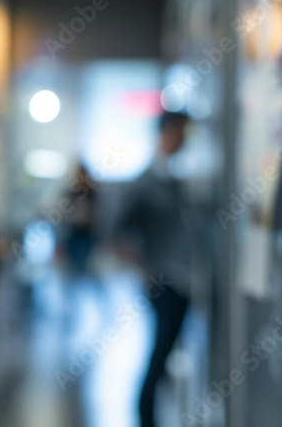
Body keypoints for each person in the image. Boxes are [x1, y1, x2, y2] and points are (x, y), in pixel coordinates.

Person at [115, 111, 194, 427]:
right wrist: (145, 269)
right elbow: (116, 231)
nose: (184, 140)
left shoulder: (174, 182)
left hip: (183, 281)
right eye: (180, 132)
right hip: (164, 284)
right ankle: (145, 419)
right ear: (167, 133)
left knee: (165, 355)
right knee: (158, 356)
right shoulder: (144, 184)